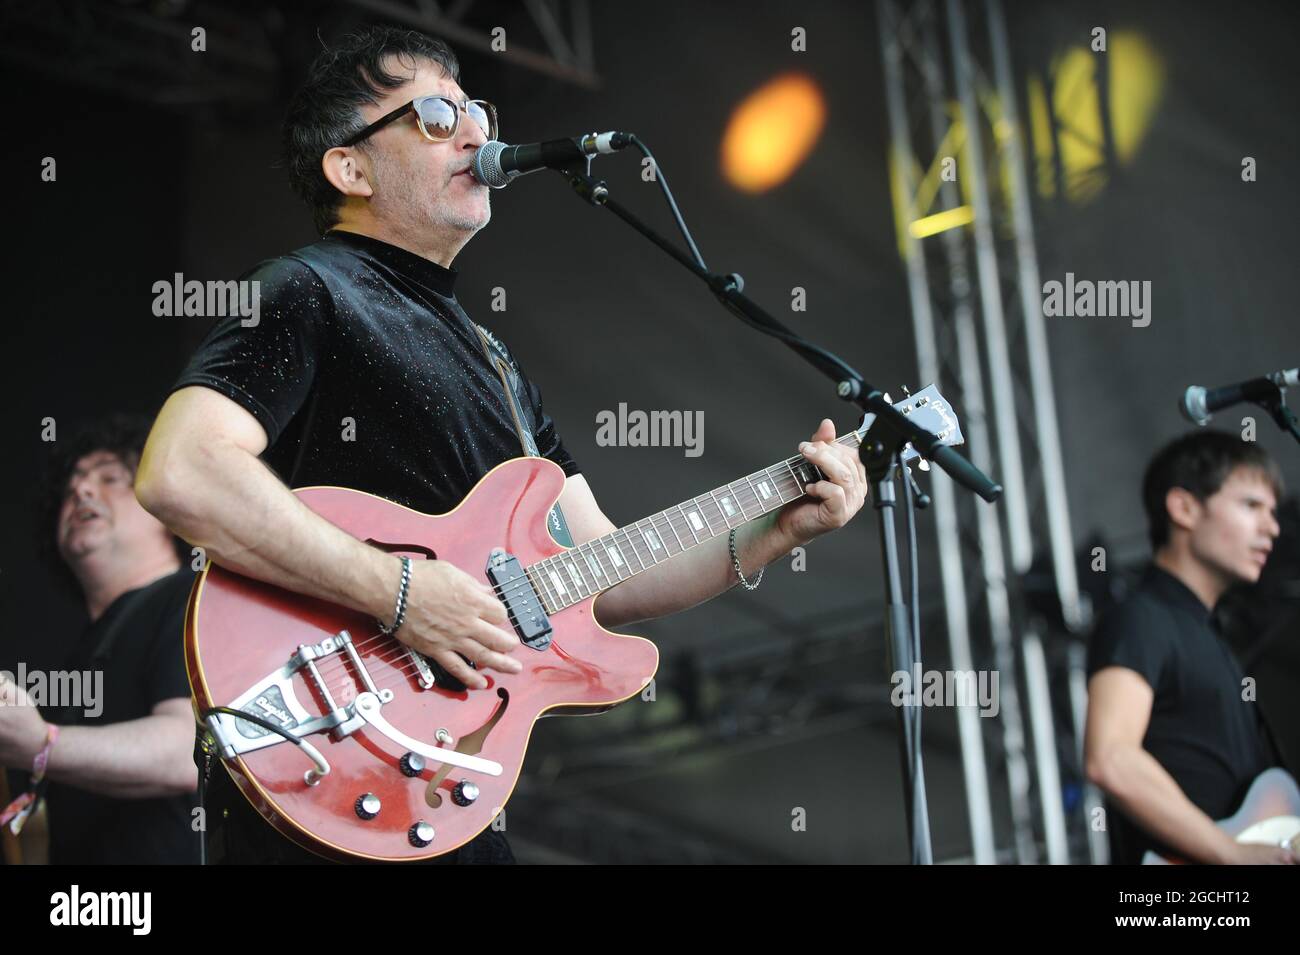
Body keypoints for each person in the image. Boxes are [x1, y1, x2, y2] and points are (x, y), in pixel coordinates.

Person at [135, 26, 869, 864]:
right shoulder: (310, 291)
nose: (479, 131)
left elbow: (607, 570)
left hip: (448, 779)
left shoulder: (497, 361)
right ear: (352, 168)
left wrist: (775, 525)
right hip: (324, 748)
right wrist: (400, 591)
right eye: (437, 114)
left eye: (475, 109)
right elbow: (184, 469)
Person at [1084, 430, 1294, 864]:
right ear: (1183, 508)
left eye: (1273, 513)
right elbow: (1111, 757)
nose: (1271, 527)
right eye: (1251, 505)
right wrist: (1232, 855)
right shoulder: (1141, 617)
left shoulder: (1211, 636)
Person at [0, 414, 199, 864]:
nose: (82, 491)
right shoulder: (80, 653)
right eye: (70, 491)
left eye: (111, 478)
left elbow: (185, 754)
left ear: (162, 509)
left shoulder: (191, 596)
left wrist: (42, 743)